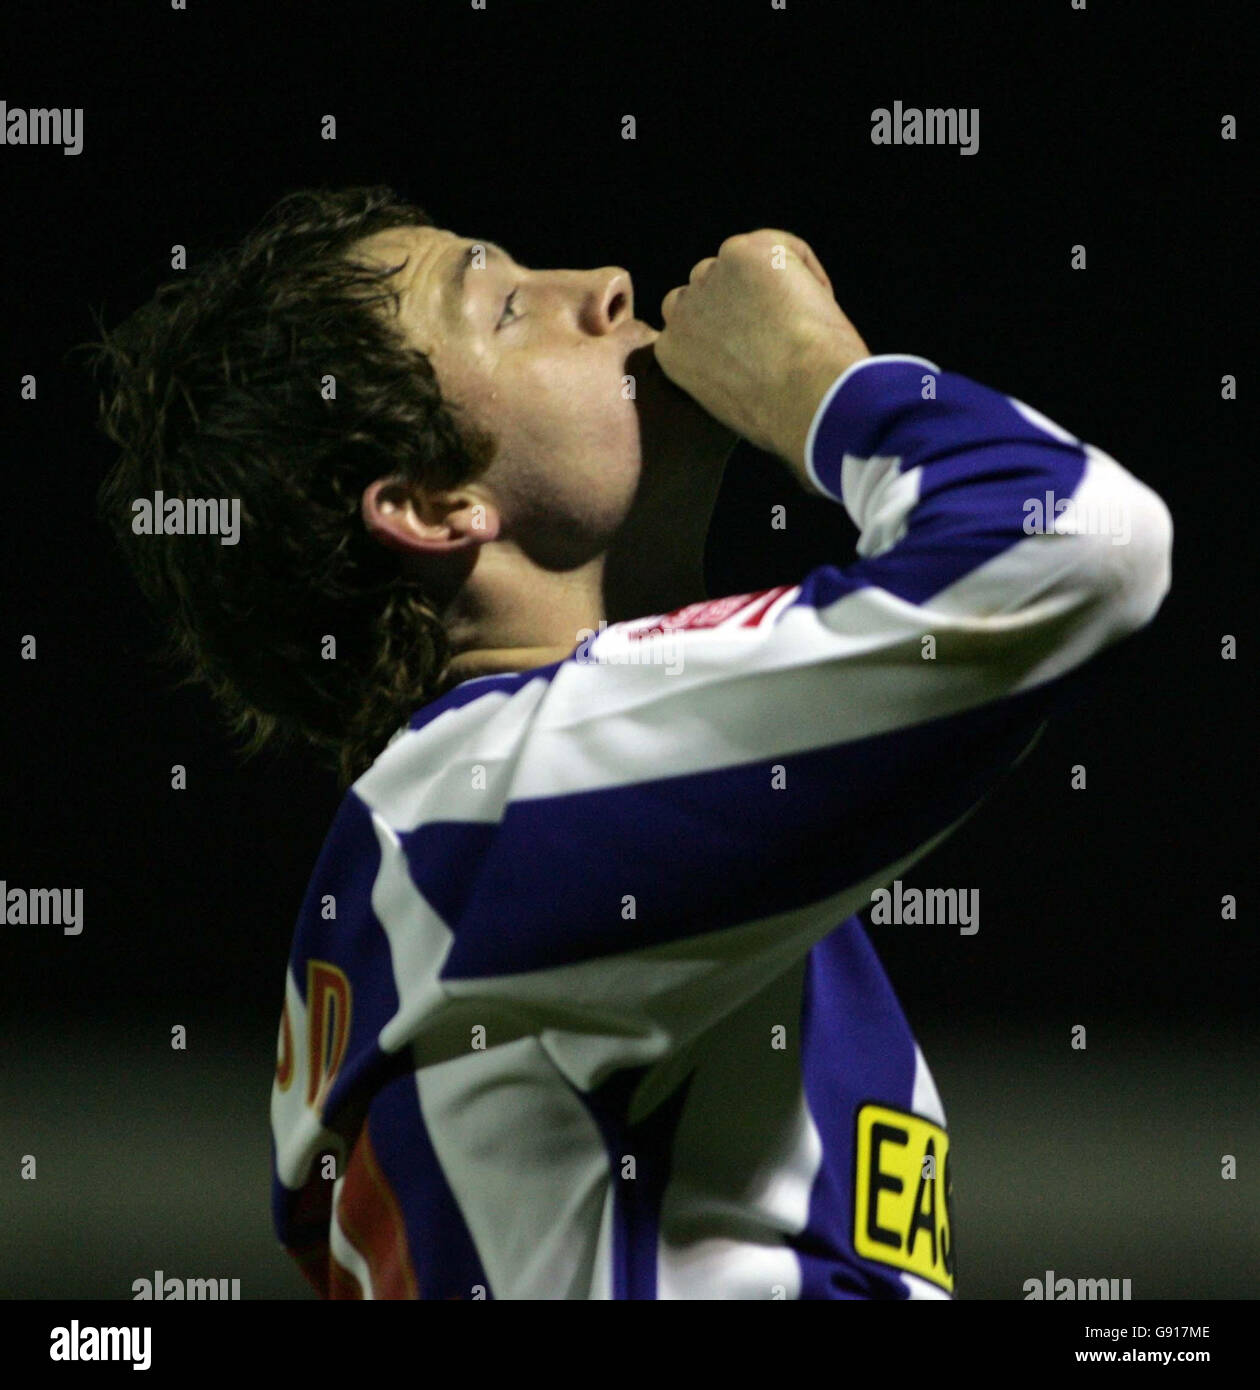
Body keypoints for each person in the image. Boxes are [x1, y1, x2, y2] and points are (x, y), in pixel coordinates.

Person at [90, 185, 1172, 1299]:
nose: (606, 287)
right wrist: (815, 377)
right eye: (505, 306)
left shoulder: (482, 828)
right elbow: (1079, 542)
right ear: (428, 503)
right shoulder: (499, 798)